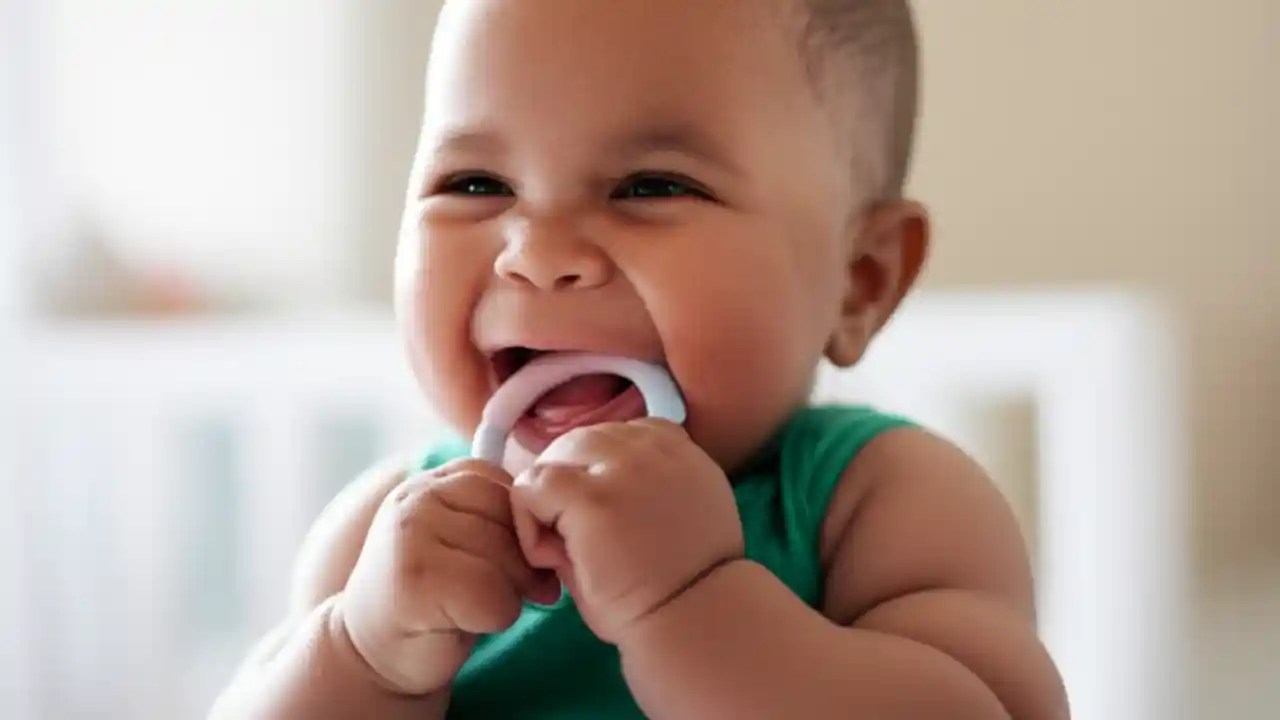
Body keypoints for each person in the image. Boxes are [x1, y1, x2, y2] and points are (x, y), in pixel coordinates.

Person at [210, 1, 1069, 717]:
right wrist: (363, 652)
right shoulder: (386, 537)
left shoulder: (881, 501)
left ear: (857, 281)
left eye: (651, 186)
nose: (537, 252)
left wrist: (695, 606)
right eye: (475, 184)